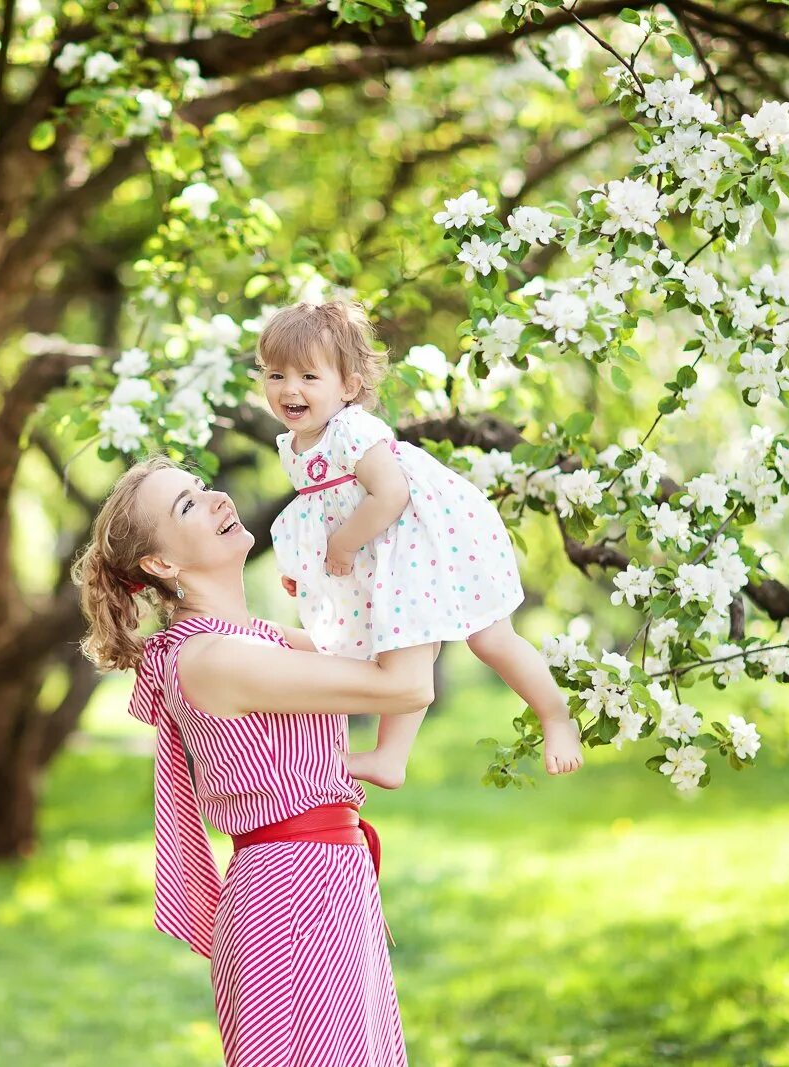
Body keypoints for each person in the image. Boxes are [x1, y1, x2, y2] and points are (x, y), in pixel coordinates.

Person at [74, 457, 432, 1066]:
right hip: (292, 900)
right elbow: (405, 686)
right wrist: (425, 553)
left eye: (200, 487)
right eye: (186, 505)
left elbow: (385, 645)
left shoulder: (260, 638)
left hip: (326, 884)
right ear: (161, 565)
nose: (214, 498)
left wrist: (381, 539)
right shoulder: (214, 659)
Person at [257, 300, 584, 788]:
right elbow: (318, 514)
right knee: (397, 647)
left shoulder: (350, 430)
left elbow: (391, 494)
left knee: (489, 638)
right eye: (276, 375)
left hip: (430, 538)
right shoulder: (296, 445)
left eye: (308, 376)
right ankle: (391, 758)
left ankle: (556, 717)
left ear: (347, 386)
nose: (289, 389)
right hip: (384, 554)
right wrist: (305, 564)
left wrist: (341, 548)